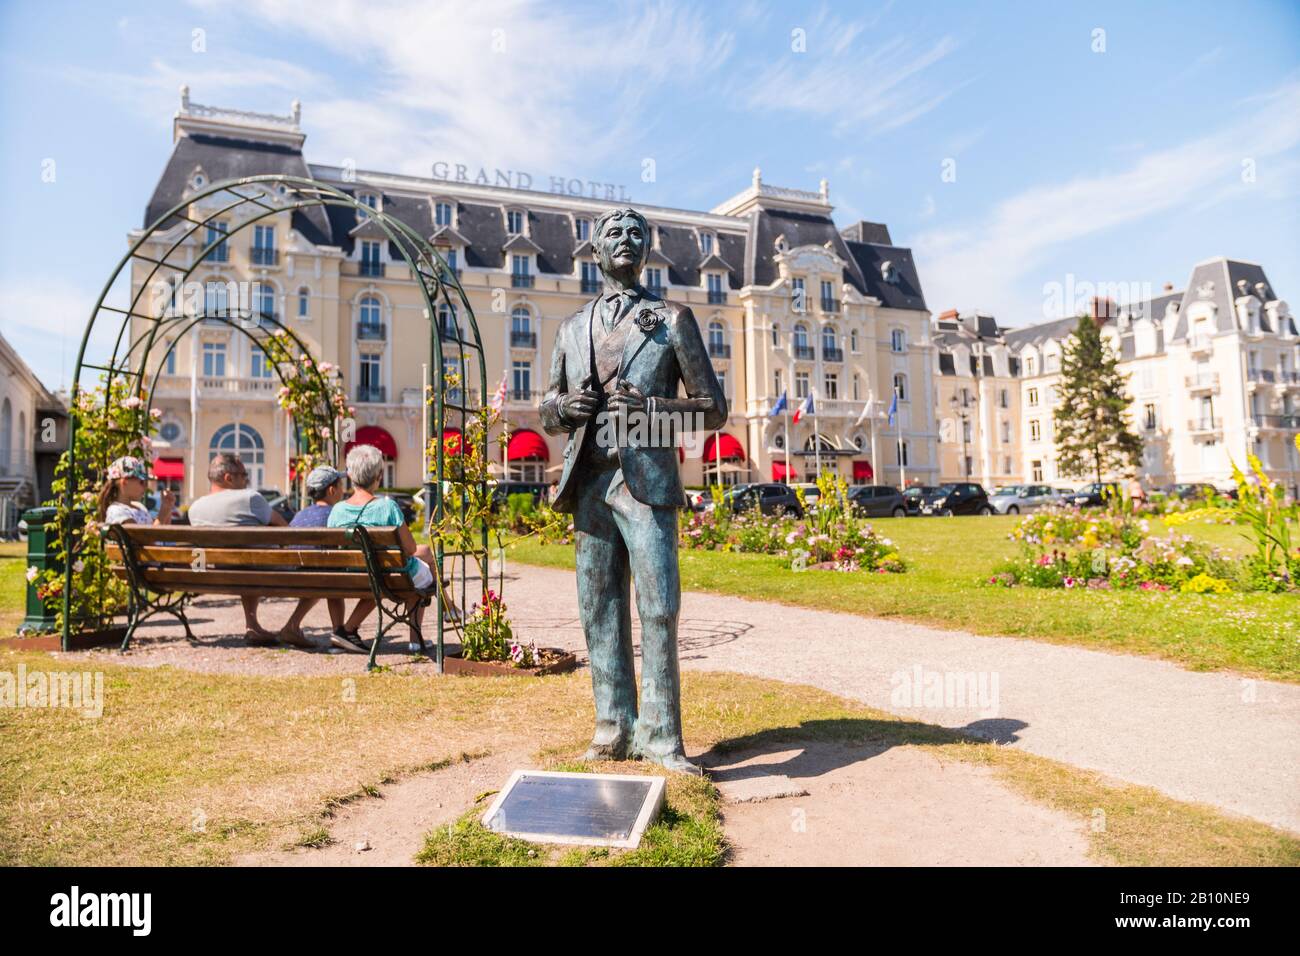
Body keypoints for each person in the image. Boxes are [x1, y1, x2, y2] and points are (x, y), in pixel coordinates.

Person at [539, 207, 726, 775]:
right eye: (613, 233)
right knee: (598, 607)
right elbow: (547, 408)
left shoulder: (672, 318)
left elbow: (713, 409)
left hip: (644, 481)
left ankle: (663, 736)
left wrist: (649, 408)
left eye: (635, 234)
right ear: (595, 250)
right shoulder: (572, 328)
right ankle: (613, 725)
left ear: (647, 250)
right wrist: (561, 409)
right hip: (590, 481)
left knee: (658, 605)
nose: (625, 240)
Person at [327, 444, 435, 655]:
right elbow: (410, 548)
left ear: (350, 475)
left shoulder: (337, 511)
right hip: (387, 578)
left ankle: (348, 629)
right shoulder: (388, 507)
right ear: (379, 475)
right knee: (419, 574)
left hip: (352, 577)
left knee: (396, 573)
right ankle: (415, 639)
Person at [186, 452, 286, 646]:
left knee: (246, 559)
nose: (247, 479)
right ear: (228, 478)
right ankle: (293, 625)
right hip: (260, 570)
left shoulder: (195, 508)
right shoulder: (250, 498)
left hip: (215, 573)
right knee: (254, 560)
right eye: (243, 474)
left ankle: (252, 625)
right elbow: (283, 527)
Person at [277, 465, 348, 649]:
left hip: (296, 577)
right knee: (334, 576)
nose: (343, 489)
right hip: (324, 578)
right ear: (332, 490)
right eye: (341, 485)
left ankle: (292, 626)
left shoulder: (300, 515)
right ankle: (338, 632)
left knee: (322, 573)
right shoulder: (337, 513)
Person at [97, 455, 174, 526]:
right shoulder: (117, 511)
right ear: (124, 482)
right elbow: (145, 539)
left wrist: (167, 507)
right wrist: (162, 514)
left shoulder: (139, 506)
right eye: (141, 482)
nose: (145, 487)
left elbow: (163, 532)